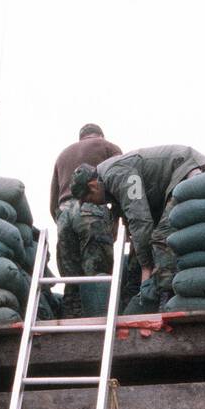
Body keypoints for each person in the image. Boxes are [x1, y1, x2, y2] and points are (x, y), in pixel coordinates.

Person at [69, 144, 205, 310]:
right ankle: (144, 298)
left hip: (191, 172)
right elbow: (134, 232)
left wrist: (147, 268)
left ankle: (165, 297)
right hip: (177, 182)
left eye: (90, 200)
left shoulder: (117, 173)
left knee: (162, 239)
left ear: (92, 186)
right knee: (139, 253)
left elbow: (140, 220)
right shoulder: (109, 186)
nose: (95, 204)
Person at [51, 124, 122, 320]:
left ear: (80, 137)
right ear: (100, 135)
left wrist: (61, 220)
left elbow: (53, 200)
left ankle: (71, 323)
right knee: (97, 273)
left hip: (64, 213)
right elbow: (120, 184)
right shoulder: (108, 147)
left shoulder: (63, 155)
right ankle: (99, 323)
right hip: (92, 208)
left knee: (71, 278)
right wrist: (114, 222)